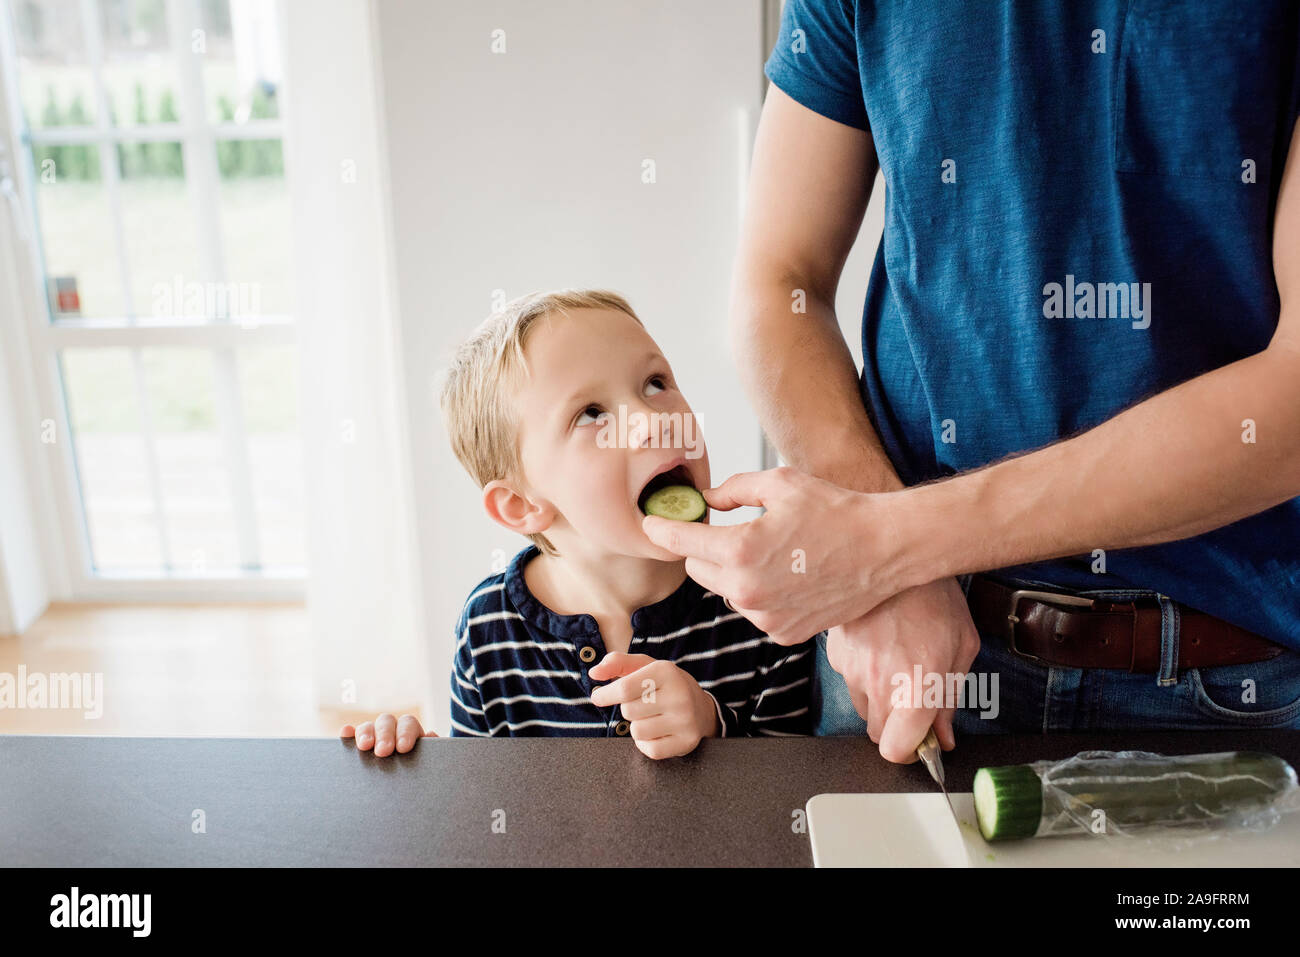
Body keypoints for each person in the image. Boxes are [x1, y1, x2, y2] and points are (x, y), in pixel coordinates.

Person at [642, 0, 1300, 763]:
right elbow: (775, 286)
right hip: (907, 651)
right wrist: (888, 573)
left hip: (1232, 683)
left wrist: (887, 546)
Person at [342, 289, 812, 758]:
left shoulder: (762, 600)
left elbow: (796, 798)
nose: (651, 422)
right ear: (521, 505)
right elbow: (482, 797)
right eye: (592, 414)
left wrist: (711, 724)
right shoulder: (488, 629)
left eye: (655, 383)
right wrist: (420, 762)